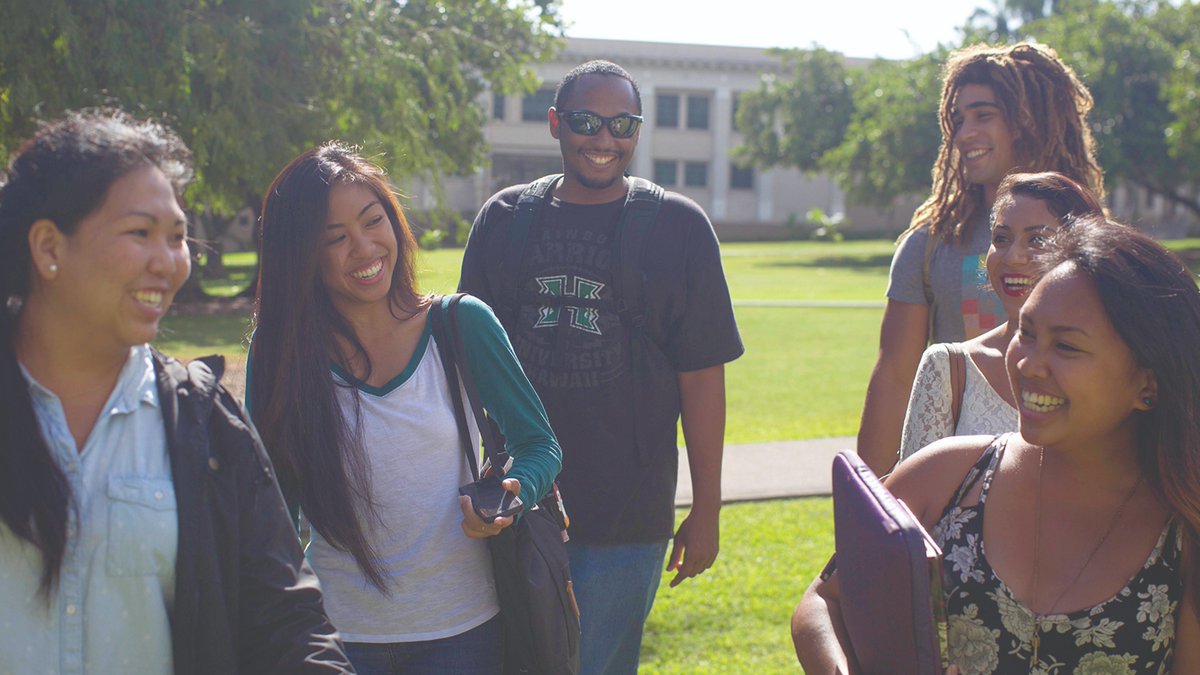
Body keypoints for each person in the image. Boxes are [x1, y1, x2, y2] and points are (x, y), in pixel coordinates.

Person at [0, 110, 350, 673]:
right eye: (140, 234)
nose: (168, 263)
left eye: (178, 237)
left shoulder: (203, 422)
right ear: (48, 247)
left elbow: (285, 622)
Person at [793, 217, 1200, 673]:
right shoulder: (946, 477)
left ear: (1148, 385)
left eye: (1065, 347)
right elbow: (824, 602)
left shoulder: (1183, 533)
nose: (1028, 363)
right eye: (1026, 333)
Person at [459, 60, 743, 674]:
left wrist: (708, 507)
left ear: (638, 131)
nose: (604, 139)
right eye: (587, 122)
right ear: (556, 123)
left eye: (622, 124)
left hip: (626, 513)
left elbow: (702, 376)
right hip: (512, 502)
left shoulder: (679, 227)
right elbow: (466, 364)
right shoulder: (504, 219)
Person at [248, 143, 561, 674]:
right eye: (336, 238)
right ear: (303, 255)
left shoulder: (462, 324)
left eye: (374, 221)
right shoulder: (280, 352)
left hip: (463, 635)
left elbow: (538, 445)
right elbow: (267, 496)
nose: (365, 248)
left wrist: (511, 495)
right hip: (334, 640)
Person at [856, 42, 1105, 476]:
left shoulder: (1097, 241)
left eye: (983, 115)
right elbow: (895, 376)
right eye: (958, 119)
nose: (963, 132)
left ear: (1031, 121)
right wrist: (870, 508)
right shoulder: (928, 242)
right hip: (959, 486)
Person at [898, 172, 1104, 460]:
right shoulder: (948, 368)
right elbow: (909, 500)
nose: (1013, 257)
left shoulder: (1116, 366)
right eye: (1001, 238)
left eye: (1037, 240)